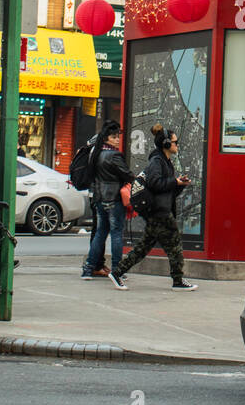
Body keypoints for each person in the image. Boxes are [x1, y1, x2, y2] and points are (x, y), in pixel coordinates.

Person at [111, 124, 195, 291]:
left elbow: (166, 189)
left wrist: (179, 184)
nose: (177, 145)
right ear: (165, 144)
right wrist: (175, 182)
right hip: (159, 212)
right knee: (175, 245)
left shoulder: (164, 161)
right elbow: (155, 183)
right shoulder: (157, 161)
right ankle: (178, 281)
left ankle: (117, 272)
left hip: (159, 210)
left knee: (144, 247)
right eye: (175, 142)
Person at [83, 121, 132, 284]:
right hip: (114, 198)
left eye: (118, 136)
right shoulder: (114, 155)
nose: (117, 139)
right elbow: (127, 174)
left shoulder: (96, 154)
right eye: (114, 137)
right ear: (106, 138)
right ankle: (117, 270)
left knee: (100, 233)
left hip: (99, 198)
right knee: (116, 234)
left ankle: (88, 268)